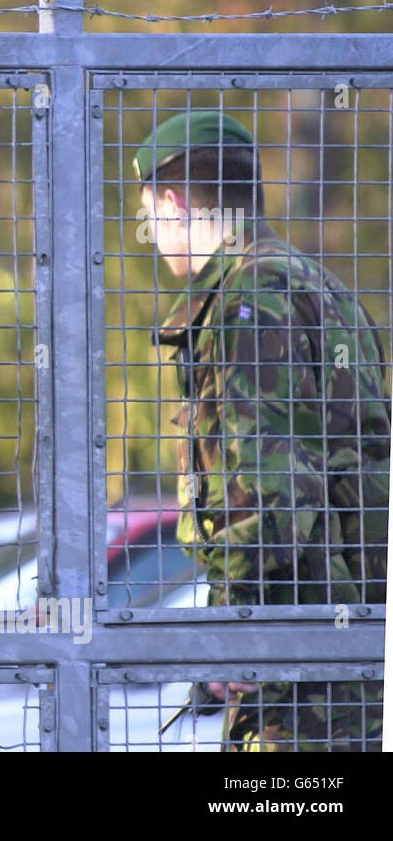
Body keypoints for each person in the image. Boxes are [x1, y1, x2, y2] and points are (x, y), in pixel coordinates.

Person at [137, 111, 389, 751]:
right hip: (348, 631)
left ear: (173, 201)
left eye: (149, 213)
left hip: (299, 656)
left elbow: (274, 490)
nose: (149, 233)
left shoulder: (251, 294)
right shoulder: (317, 283)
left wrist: (234, 623)